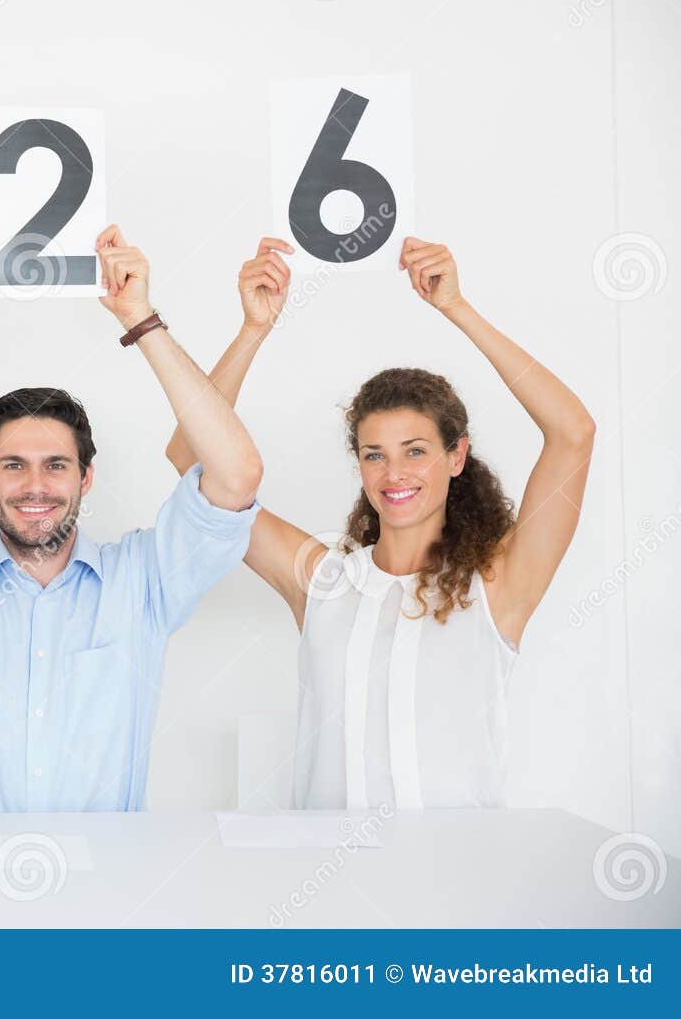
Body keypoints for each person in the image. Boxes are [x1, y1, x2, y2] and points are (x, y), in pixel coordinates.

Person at [164, 236, 596, 810]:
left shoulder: (497, 586)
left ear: (457, 456)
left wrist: (457, 308)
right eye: (374, 454)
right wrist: (252, 331)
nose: (394, 473)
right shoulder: (321, 578)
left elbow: (574, 434)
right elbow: (192, 459)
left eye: (416, 450)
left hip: (455, 888)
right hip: (327, 886)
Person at [0, 226, 263, 813]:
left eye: (56, 466)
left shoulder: (143, 581)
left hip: (108, 892)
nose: (36, 486)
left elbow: (237, 472)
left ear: (85, 479)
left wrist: (141, 320)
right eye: (14, 465)